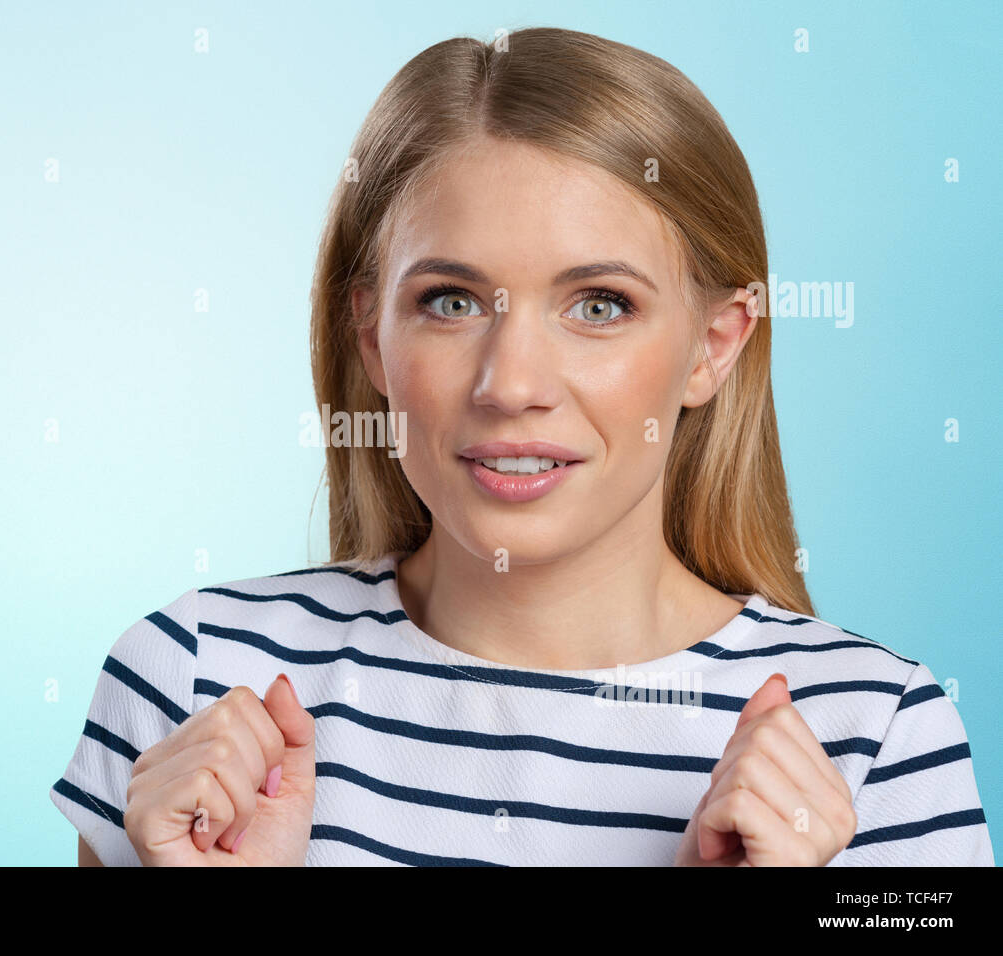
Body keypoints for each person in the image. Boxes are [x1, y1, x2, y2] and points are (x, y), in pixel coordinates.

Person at [49, 27, 993, 866]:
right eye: (451, 302)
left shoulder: (877, 744)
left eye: (599, 305)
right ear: (372, 336)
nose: (512, 383)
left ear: (714, 346)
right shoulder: (195, 676)